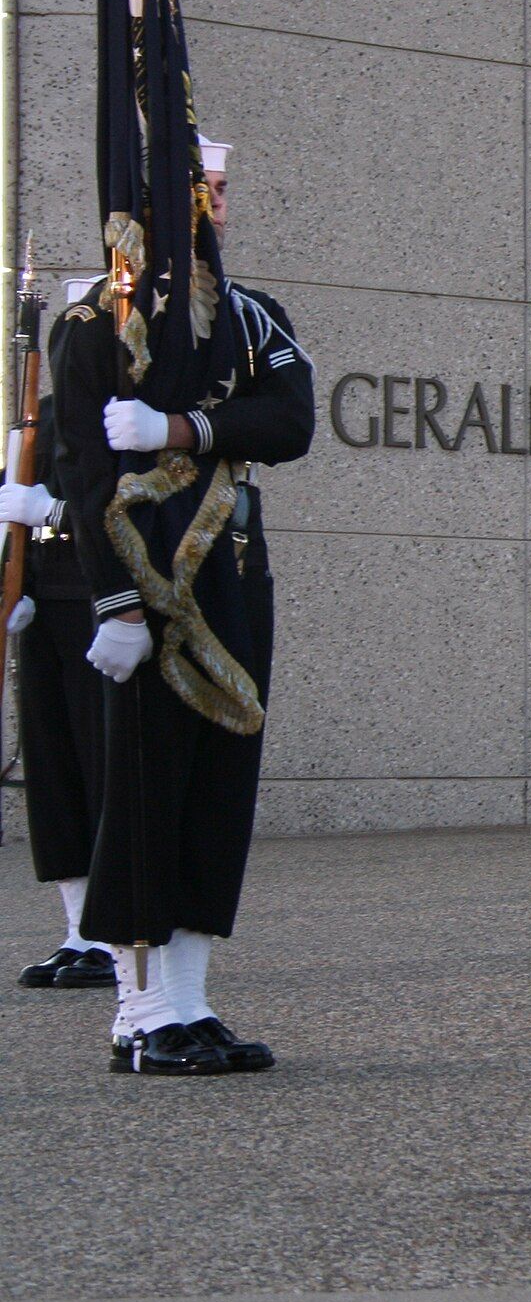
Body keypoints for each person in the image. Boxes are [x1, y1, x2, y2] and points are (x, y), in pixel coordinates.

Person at [52, 122, 316, 1078]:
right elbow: (84, 472)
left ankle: (189, 1000)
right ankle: (140, 1009)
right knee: (144, 791)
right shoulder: (94, 324)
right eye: (200, 188)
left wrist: (181, 426)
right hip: (146, 583)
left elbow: (290, 422)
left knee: (216, 790)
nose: (217, 207)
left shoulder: (252, 315)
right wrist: (115, 603)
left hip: (231, 575)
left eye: (222, 191)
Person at [7, 273, 113, 992]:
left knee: (101, 768)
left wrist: (50, 510)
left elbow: (131, 508)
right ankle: (79, 932)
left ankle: (112, 931)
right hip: (44, 608)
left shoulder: (124, 419)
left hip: (102, 605)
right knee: (54, 775)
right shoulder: (39, 419)